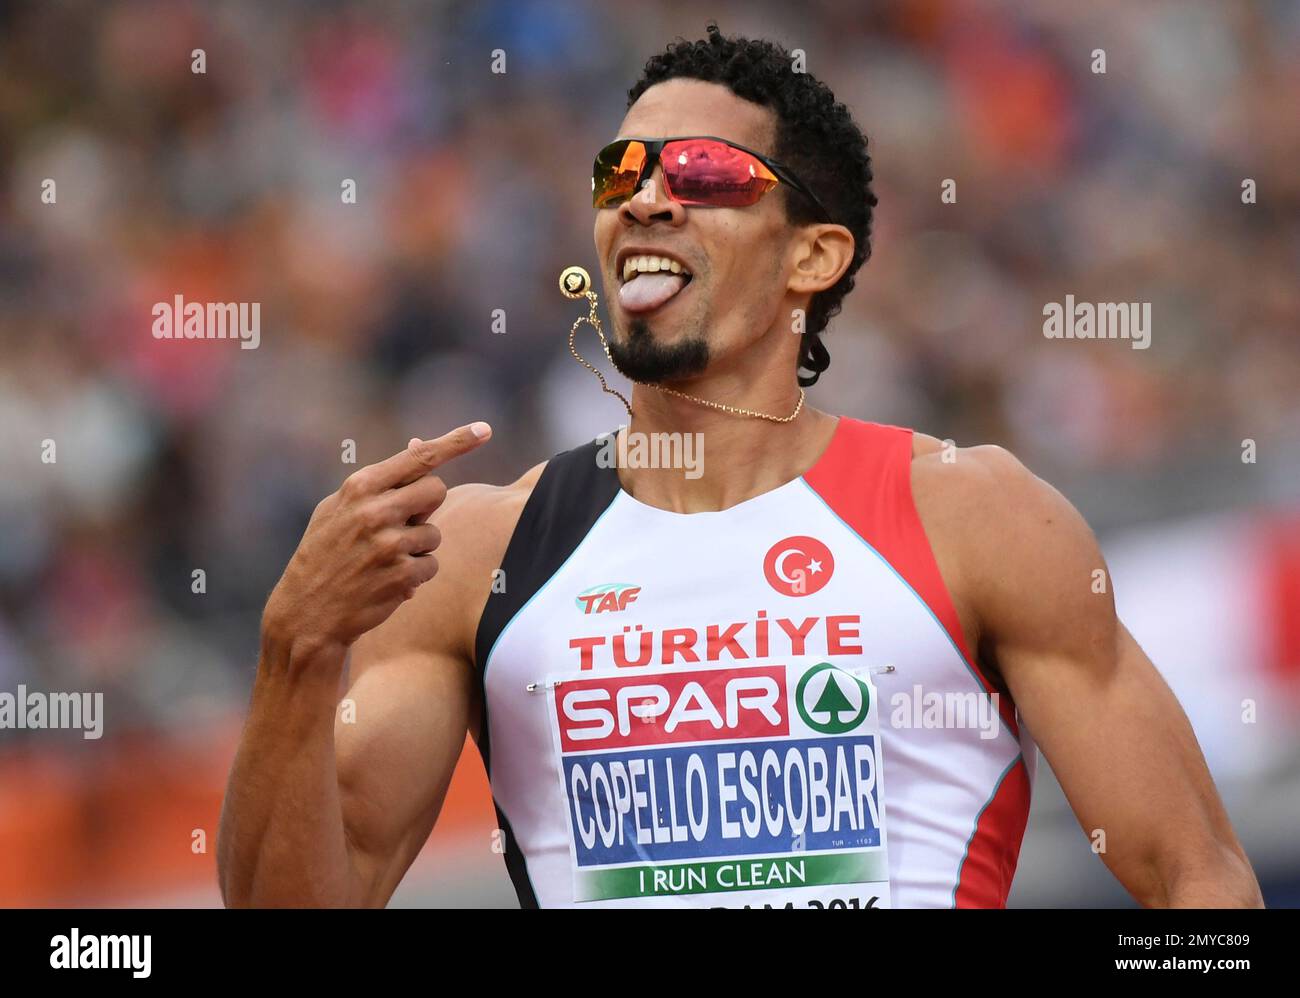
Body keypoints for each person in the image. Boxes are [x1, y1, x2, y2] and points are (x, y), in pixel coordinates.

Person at [217, 25, 1262, 909]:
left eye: (704, 174)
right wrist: (294, 651)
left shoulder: (975, 515)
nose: (646, 201)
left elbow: (1195, 877)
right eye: (619, 172)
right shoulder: (477, 552)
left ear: (813, 256)